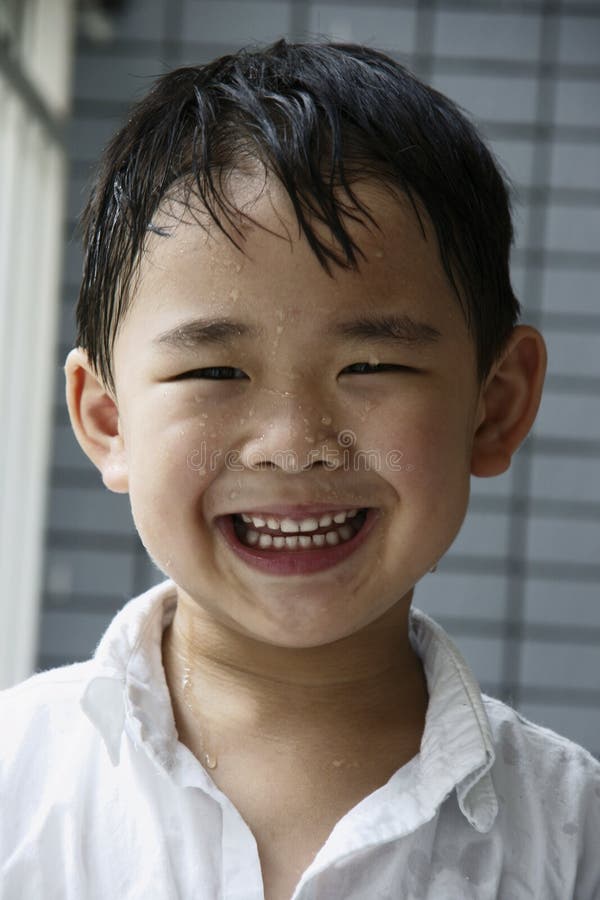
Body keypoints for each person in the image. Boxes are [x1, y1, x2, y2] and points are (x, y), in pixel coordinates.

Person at [1, 37, 598, 900]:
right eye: (213, 372)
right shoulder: (19, 793)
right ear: (107, 418)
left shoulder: (570, 840)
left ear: (495, 404)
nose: (293, 441)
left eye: (371, 367)